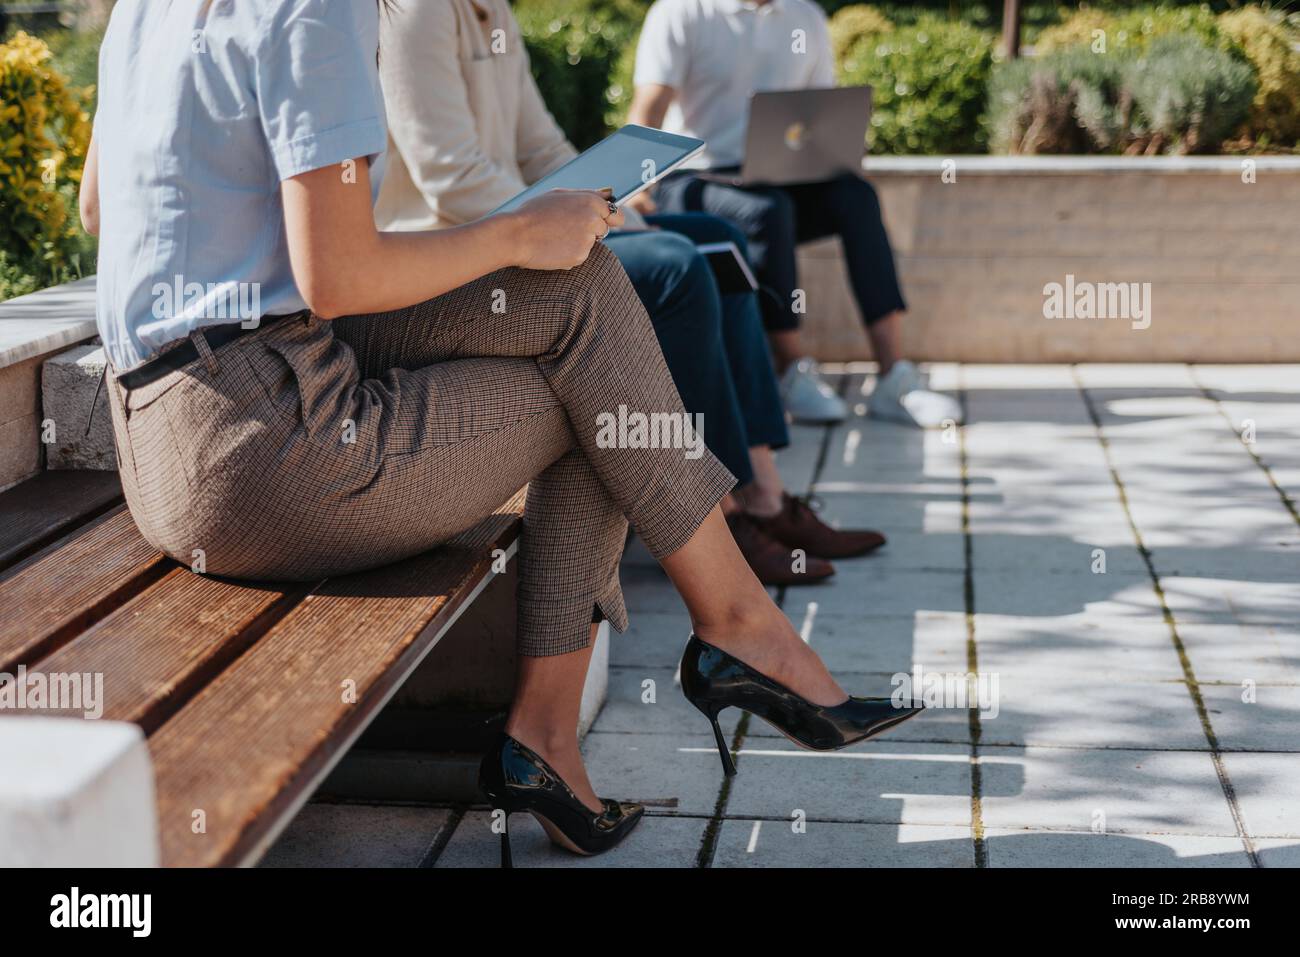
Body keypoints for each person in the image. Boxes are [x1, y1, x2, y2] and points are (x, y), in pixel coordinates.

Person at [83, 0, 920, 866]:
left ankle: (713, 636)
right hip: (263, 452)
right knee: (594, 401)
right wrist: (519, 230)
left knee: (583, 297)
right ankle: (678, 660)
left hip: (160, 430)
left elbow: (98, 207)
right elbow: (334, 275)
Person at [373, 0, 887, 586]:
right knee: (676, 267)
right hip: (461, 254)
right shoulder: (417, 12)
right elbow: (452, 178)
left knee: (720, 243)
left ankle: (765, 493)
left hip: (521, 230)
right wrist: (567, 224)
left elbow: (543, 150)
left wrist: (609, 206)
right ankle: (720, 514)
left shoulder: (493, 13)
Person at [628, 0, 964, 428]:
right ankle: (790, 369)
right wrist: (638, 183)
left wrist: (836, 158)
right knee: (769, 210)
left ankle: (893, 376)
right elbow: (649, 107)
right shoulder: (681, 12)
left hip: (775, 173)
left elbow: (819, 112)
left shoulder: (805, 17)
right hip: (695, 179)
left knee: (856, 198)